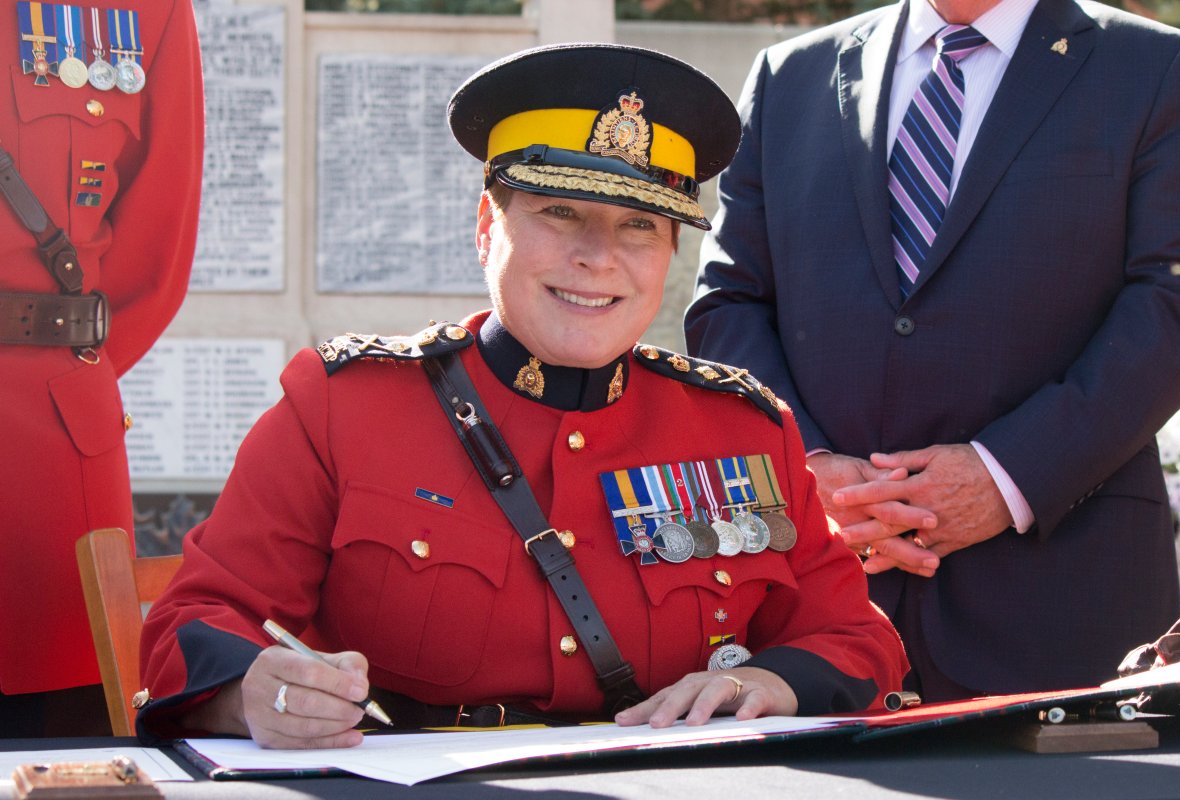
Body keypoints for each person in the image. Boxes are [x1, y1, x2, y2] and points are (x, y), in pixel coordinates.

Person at [136, 43, 907, 749]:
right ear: (486, 227)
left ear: (671, 254)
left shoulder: (743, 429)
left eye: (639, 226)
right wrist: (252, 694)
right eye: (559, 212)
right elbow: (190, 624)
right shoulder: (343, 406)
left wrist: (765, 683)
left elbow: (855, 640)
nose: (597, 257)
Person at [685, 0, 1180, 701]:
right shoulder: (789, 75)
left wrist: (1005, 477)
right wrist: (807, 474)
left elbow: (1177, 306)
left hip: (1059, 606)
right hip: (813, 614)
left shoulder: (1162, 70)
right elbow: (728, 300)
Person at [0, 0, 203, 736]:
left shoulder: (147, 12)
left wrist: (64, 371)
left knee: (67, 748)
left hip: (48, 459)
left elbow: (156, 250)